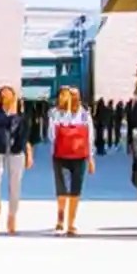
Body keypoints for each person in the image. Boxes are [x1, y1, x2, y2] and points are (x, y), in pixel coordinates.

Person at [48, 86, 95, 237]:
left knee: (75, 190)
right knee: (62, 189)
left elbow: (90, 137)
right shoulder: (56, 114)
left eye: (75, 95)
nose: (73, 98)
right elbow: (51, 135)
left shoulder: (84, 114)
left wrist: (90, 157)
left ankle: (71, 223)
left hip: (79, 156)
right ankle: (61, 218)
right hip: (61, 156)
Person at [0, 85, 32, 235]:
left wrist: (29, 153)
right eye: (2, 95)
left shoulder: (21, 115)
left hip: (16, 151)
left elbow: (26, 137)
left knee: (15, 186)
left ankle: (12, 217)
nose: (4, 97)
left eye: (7, 95)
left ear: (13, 97)